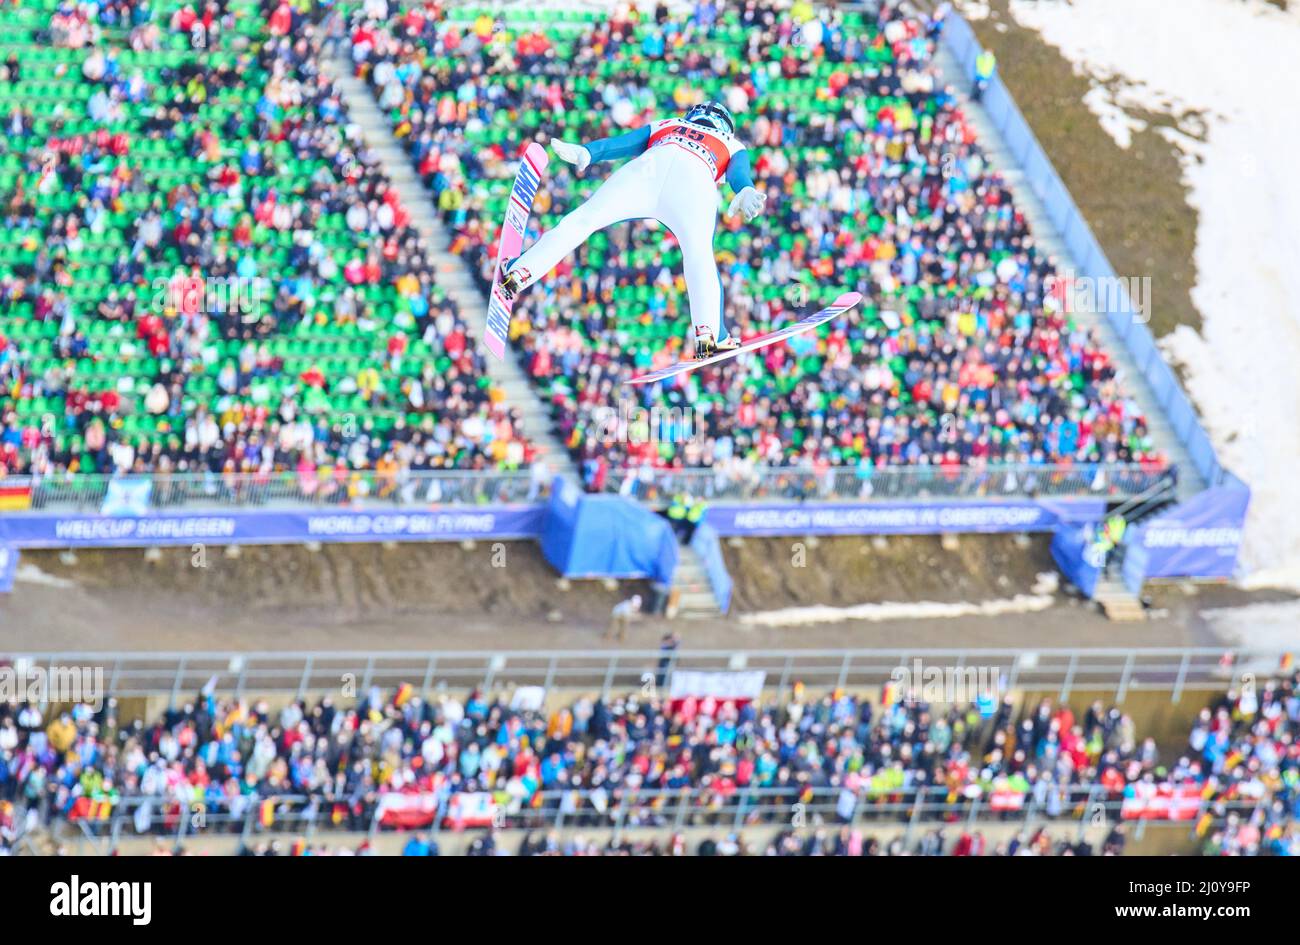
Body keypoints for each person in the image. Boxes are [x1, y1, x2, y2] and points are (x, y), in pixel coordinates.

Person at [497, 101, 768, 358]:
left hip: (648, 169)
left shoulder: (670, 122)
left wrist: (588, 152)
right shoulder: (731, 143)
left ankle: (520, 272)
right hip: (695, 179)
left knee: (583, 220)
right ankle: (709, 336)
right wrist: (744, 189)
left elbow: (623, 143)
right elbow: (738, 173)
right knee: (699, 256)